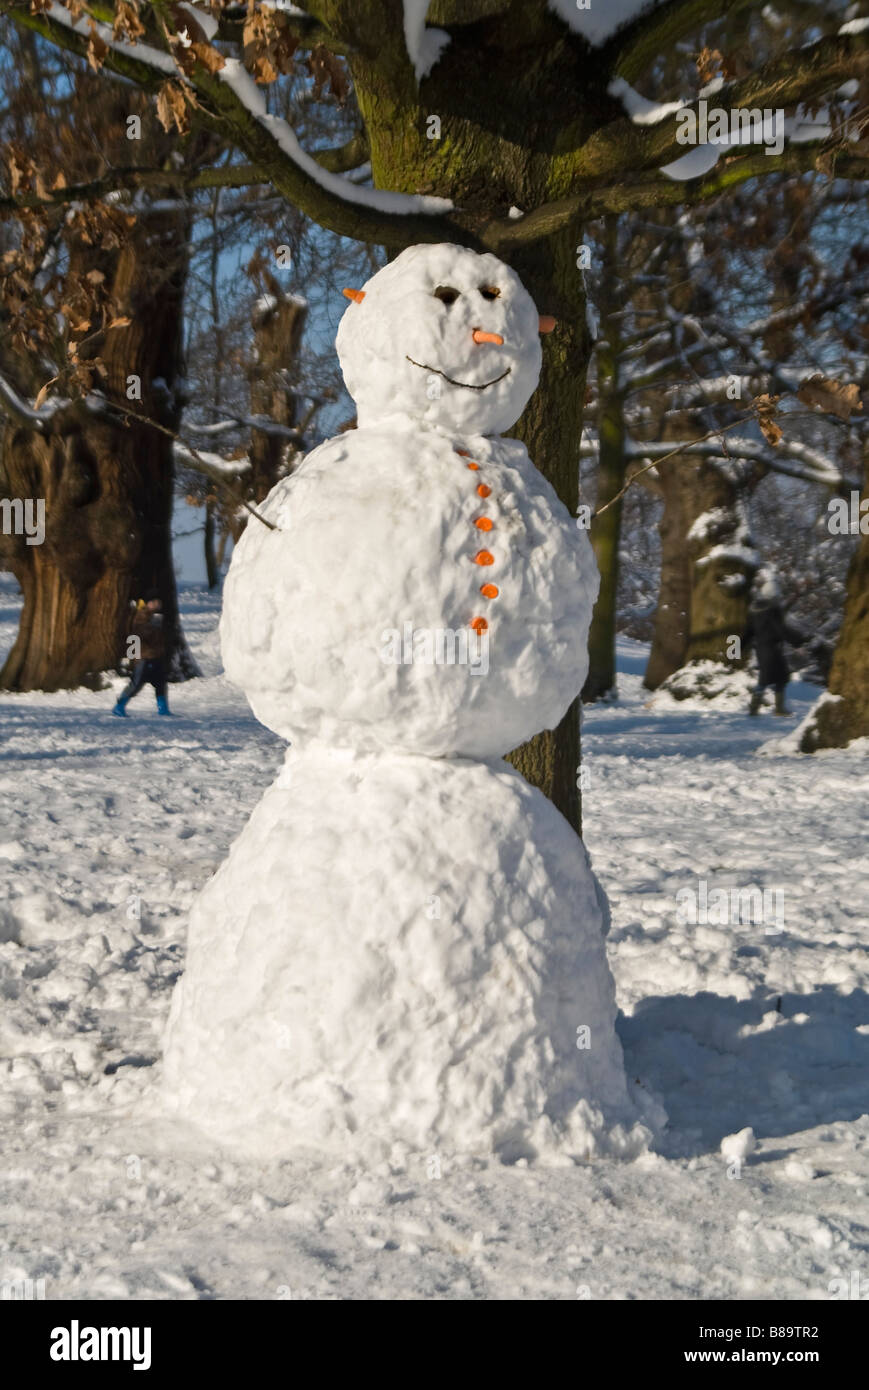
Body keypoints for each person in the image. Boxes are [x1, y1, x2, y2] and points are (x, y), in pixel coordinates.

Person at [743, 569, 804, 717]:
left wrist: (733, 649)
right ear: (774, 595)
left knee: (772, 677)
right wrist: (798, 641)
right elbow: (781, 630)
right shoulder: (773, 610)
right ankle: (776, 708)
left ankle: (757, 707)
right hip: (773, 649)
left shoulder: (754, 611)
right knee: (775, 678)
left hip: (761, 649)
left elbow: (747, 632)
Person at [112, 591, 171, 716]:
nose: (157, 604)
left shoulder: (158, 617)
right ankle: (119, 706)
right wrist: (133, 659)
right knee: (136, 684)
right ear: (148, 604)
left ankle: (163, 708)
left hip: (157, 656)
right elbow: (137, 635)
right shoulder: (142, 615)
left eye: (158, 602)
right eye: (154, 602)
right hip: (144, 657)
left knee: (161, 683)